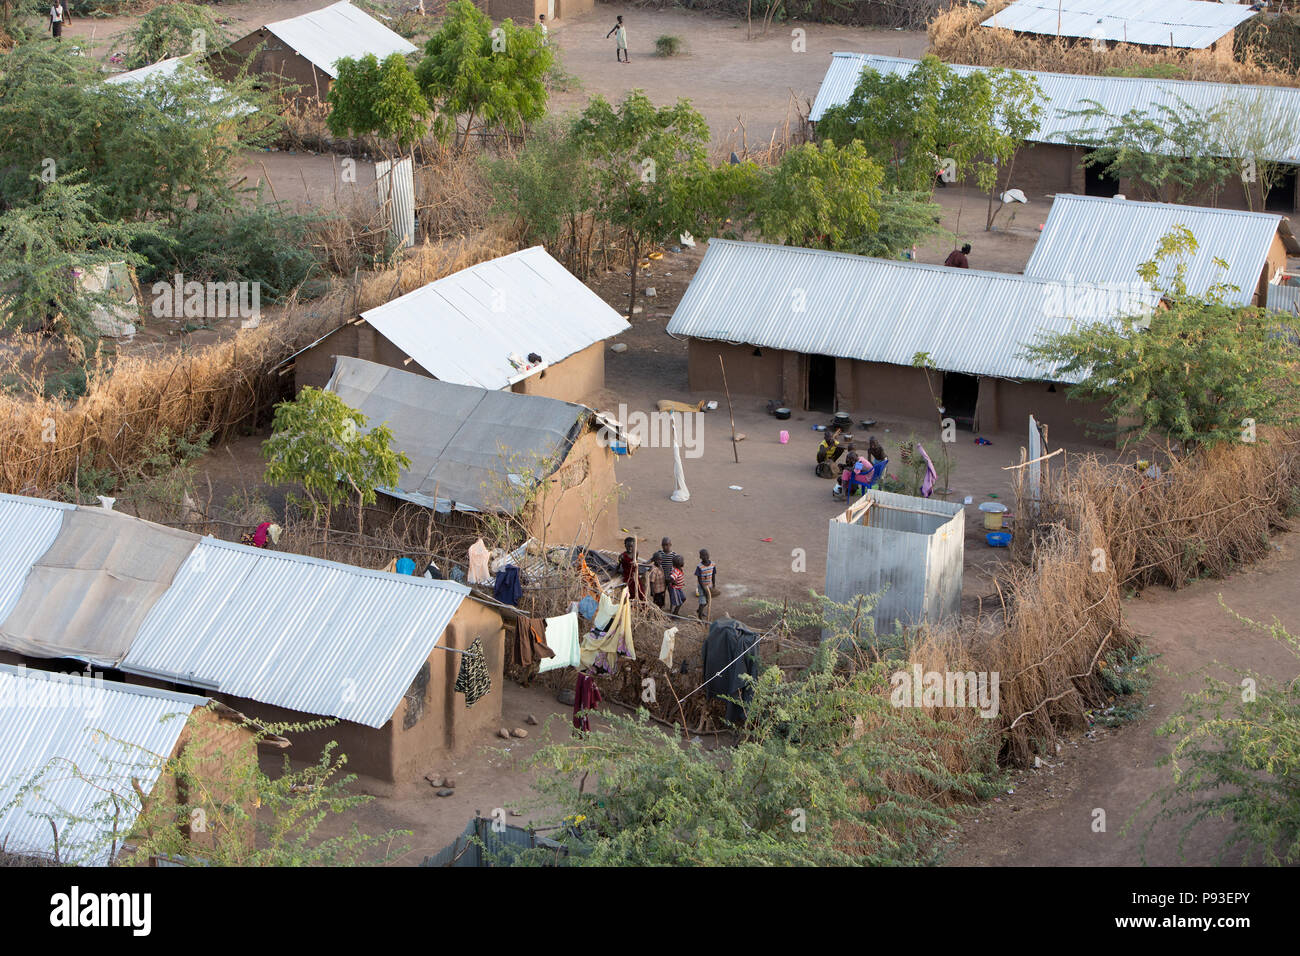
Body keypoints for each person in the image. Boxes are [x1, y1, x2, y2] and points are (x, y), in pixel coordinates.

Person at [650, 536, 678, 609]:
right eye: (663, 545)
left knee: (671, 592)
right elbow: (652, 559)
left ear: (670, 544)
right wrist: (645, 563)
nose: (665, 547)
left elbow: (677, 566)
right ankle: (662, 604)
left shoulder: (674, 555)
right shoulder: (659, 553)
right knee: (662, 592)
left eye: (666, 545)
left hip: (670, 578)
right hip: (661, 578)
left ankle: (671, 607)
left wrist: (676, 577)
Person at [619, 536, 644, 601]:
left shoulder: (636, 553)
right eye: (628, 546)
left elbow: (636, 562)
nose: (630, 548)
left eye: (631, 546)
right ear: (625, 546)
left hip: (635, 576)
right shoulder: (622, 556)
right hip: (628, 577)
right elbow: (619, 566)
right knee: (629, 593)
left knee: (640, 591)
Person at [694, 549, 717, 621]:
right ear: (700, 557)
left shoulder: (712, 564)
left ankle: (699, 610)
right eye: (703, 555)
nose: (705, 556)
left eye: (707, 554)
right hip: (701, 587)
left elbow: (713, 575)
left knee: (707, 601)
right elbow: (699, 579)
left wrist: (713, 584)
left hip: (708, 586)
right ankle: (699, 618)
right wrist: (703, 588)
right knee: (702, 602)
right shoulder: (699, 567)